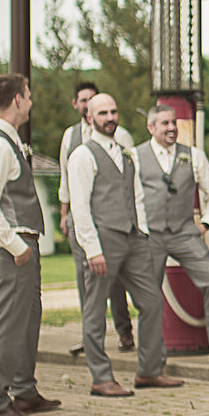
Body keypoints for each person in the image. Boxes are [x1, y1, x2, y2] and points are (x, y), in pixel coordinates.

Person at [67, 92, 185, 397]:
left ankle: (148, 371)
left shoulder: (126, 151)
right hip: (103, 240)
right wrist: (92, 249)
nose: (110, 118)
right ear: (90, 117)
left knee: (151, 300)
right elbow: (80, 207)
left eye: (113, 111)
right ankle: (101, 378)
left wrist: (142, 232)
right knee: (95, 310)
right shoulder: (83, 155)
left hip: (134, 239)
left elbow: (137, 196)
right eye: (103, 113)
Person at [0, 73, 59, 416]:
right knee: (7, 322)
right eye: (29, 95)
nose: (32, 102)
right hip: (13, 247)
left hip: (22, 244)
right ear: (18, 100)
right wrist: (15, 245)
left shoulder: (7, 140)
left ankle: (24, 390)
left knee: (26, 320)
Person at [136, 104, 209, 369]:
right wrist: (140, 230)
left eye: (174, 123)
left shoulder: (193, 156)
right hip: (150, 235)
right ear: (151, 127)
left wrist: (207, 224)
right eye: (165, 123)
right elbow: (130, 197)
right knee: (148, 294)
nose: (172, 128)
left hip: (185, 233)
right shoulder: (135, 156)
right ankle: (152, 358)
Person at [59, 81, 136, 355]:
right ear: (78, 106)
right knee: (87, 278)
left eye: (92, 98)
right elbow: (65, 177)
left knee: (114, 279)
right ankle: (91, 335)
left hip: (111, 220)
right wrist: (64, 213)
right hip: (79, 216)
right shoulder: (71, 136)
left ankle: (124, 330)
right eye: (83, 99)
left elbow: (128, 179)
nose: (86, 103)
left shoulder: (122, 136)